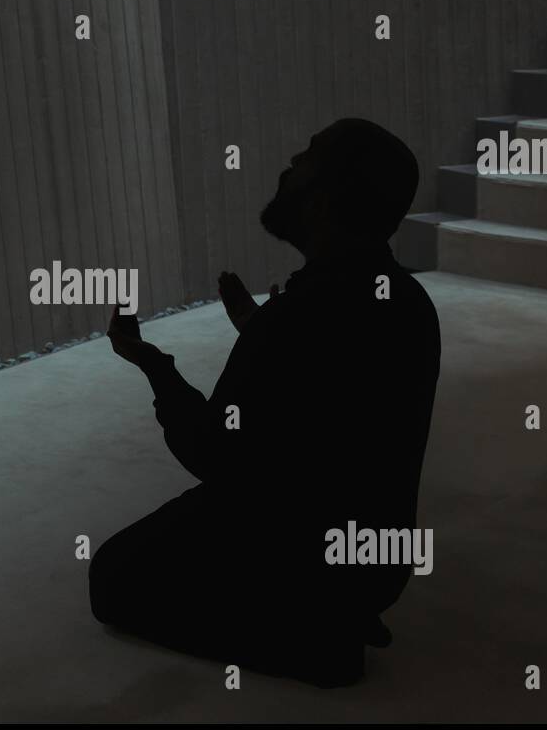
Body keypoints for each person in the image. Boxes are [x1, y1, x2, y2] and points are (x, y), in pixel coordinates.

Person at [91, 118, 441, 687]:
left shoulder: (298, 317)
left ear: (326, 200)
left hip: (306, 559)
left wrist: (152, 363)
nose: (288, 166)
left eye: (305, 158)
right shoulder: (406, 298)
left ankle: (316, 638)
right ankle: (334, 611)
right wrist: (257, 331)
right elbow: (334, 406)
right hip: (379, 562)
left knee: (112, 579)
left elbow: (212, 451)